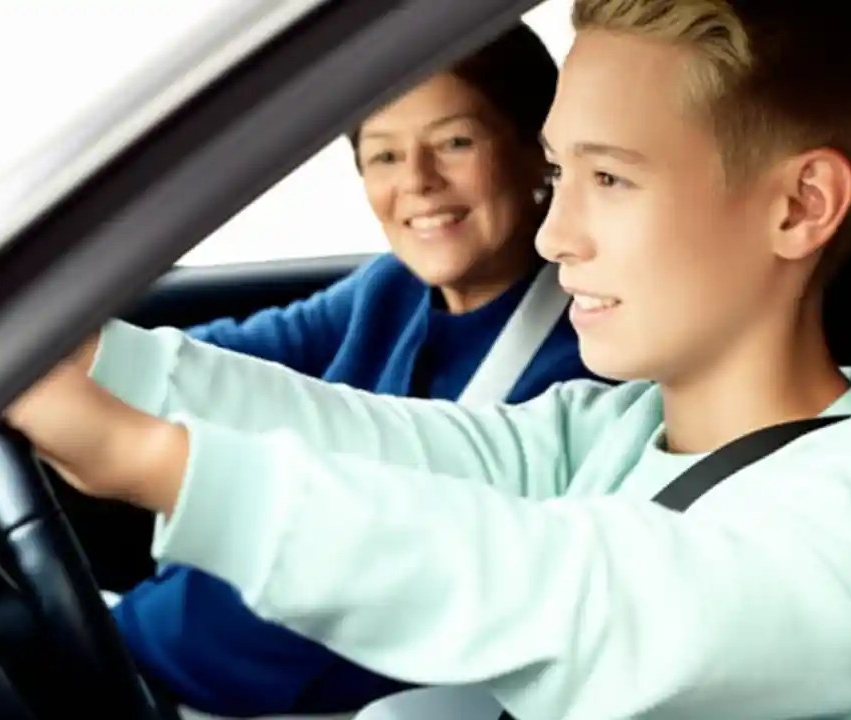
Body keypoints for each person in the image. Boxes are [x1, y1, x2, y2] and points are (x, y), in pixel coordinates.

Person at [0, 0, 851, 717]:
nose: (554, 236)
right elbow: (384, 442)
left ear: (797, 205)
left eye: (608, 177)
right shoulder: (610, 429)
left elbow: (561, 588)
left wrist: (158, 465)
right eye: (559, 173)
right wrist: (86, 368)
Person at [108, 23, 598, 719]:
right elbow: (230, 353)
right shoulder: (391, 289)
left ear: (533, 151)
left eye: (455, 143)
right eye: (385, 156)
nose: (418, 183)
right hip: (144, 652)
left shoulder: (582, 365)